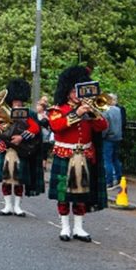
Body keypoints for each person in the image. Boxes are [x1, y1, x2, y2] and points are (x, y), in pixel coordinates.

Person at [48, 66, 108, 242]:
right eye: (74, 90)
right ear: (67, 92)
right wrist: (76, 113)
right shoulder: (57, 109)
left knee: (82, 193)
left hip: (84, 156)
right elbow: (56, 126)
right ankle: (65, 227)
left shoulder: (89, 109)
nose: (76, 94)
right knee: (62, 193)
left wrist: (92, 112)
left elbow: (103, 127)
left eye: (79, 90)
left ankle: (79, 228)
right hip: (64, 155)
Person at [0, 79, 45, 216]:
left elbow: (36, 130)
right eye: (15, 100)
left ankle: (17, 206)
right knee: (6, 180)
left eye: (19, 100)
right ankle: (7, 205)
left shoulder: (29, 114)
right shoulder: (2, 113)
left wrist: (21, 138)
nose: (17, 103)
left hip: (22, 150)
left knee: (19, 180)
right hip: (6, 151)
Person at [102, 94, 123, 189]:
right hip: (117, 137)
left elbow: (105, 127)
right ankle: (119, 179)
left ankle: (108, 182)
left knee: (107, 160)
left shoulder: (106, 111)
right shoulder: (118, 110)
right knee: (115, 159)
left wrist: (102, 136)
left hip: (108, 138)